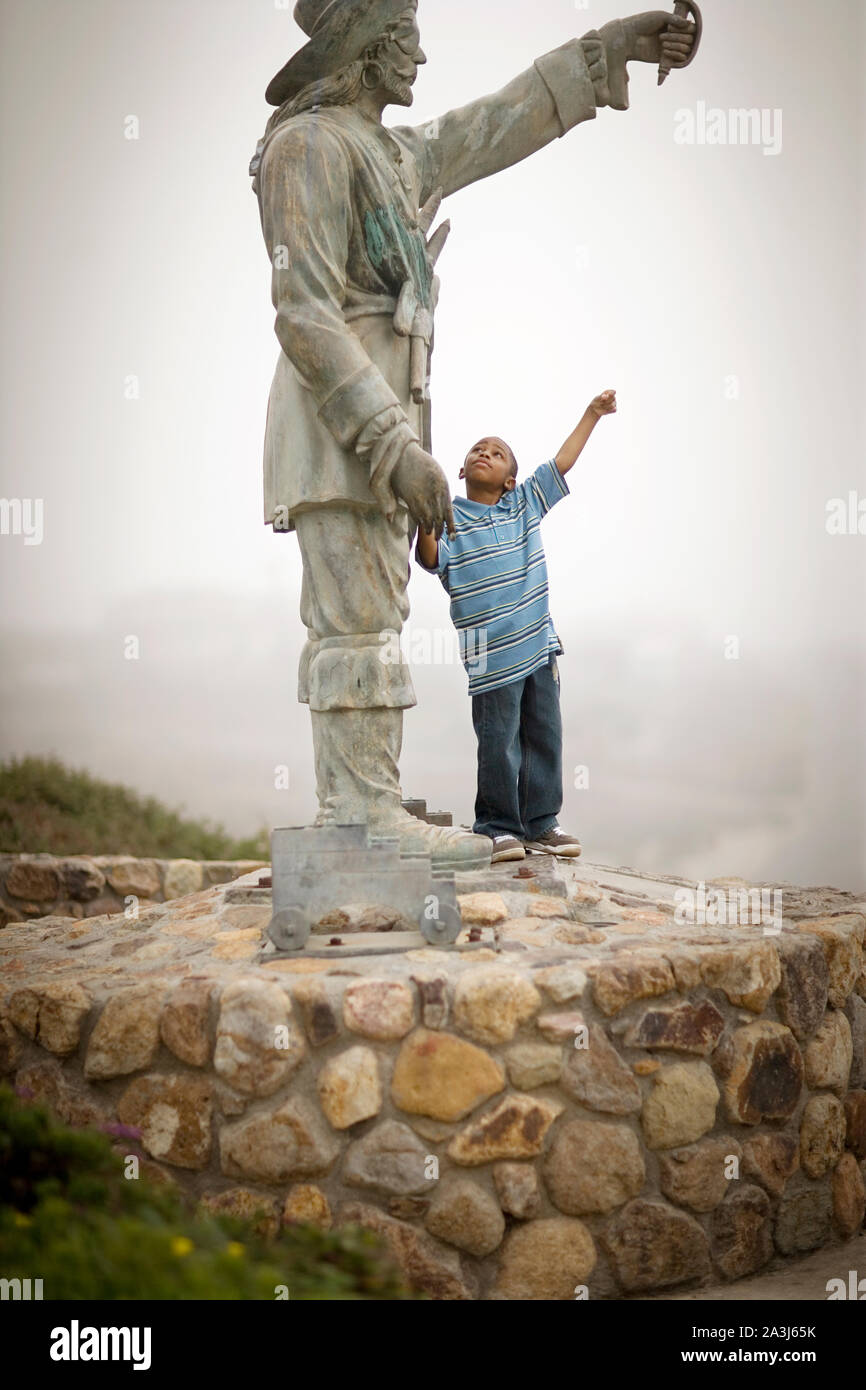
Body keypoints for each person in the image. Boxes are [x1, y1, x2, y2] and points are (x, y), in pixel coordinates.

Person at [252, 0, 695, 868]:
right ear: (367, 49)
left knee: (374, 618)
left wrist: (609, 51)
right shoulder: (307, 149)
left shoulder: (397, 154)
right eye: (406, 41)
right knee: (350, 628)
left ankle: (368, 804)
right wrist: (393, 444)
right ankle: (361, 817)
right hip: (342, 430)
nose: (419, 58)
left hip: (385, 434)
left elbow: (500, 121)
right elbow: (302, 314)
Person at [415, 391, 617, 863]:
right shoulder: (448, 518)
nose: (484, 453)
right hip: (490, 655)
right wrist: (425, 507)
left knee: (543, 735)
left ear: (509, 481)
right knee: (499, 743)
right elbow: (428, 558)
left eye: (497, 452)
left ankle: (541, 823)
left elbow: (562, 462)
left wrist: (591, 414)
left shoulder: (522, 505)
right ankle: (499, 826)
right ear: (461, 472)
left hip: (538, 646)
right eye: (476, 450)